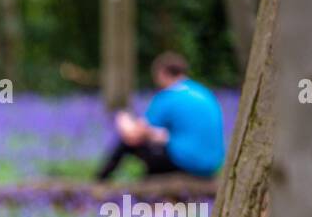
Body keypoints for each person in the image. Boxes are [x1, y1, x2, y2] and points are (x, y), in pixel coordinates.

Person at [96, 52, 225, 181]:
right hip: (211, 165)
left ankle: (99, 183)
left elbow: (133, 136)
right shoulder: (203, 92)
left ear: (162, 73)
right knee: (155, 151)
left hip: (186, 162)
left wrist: (123, 120)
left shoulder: (168, 96)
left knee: (126, 144)